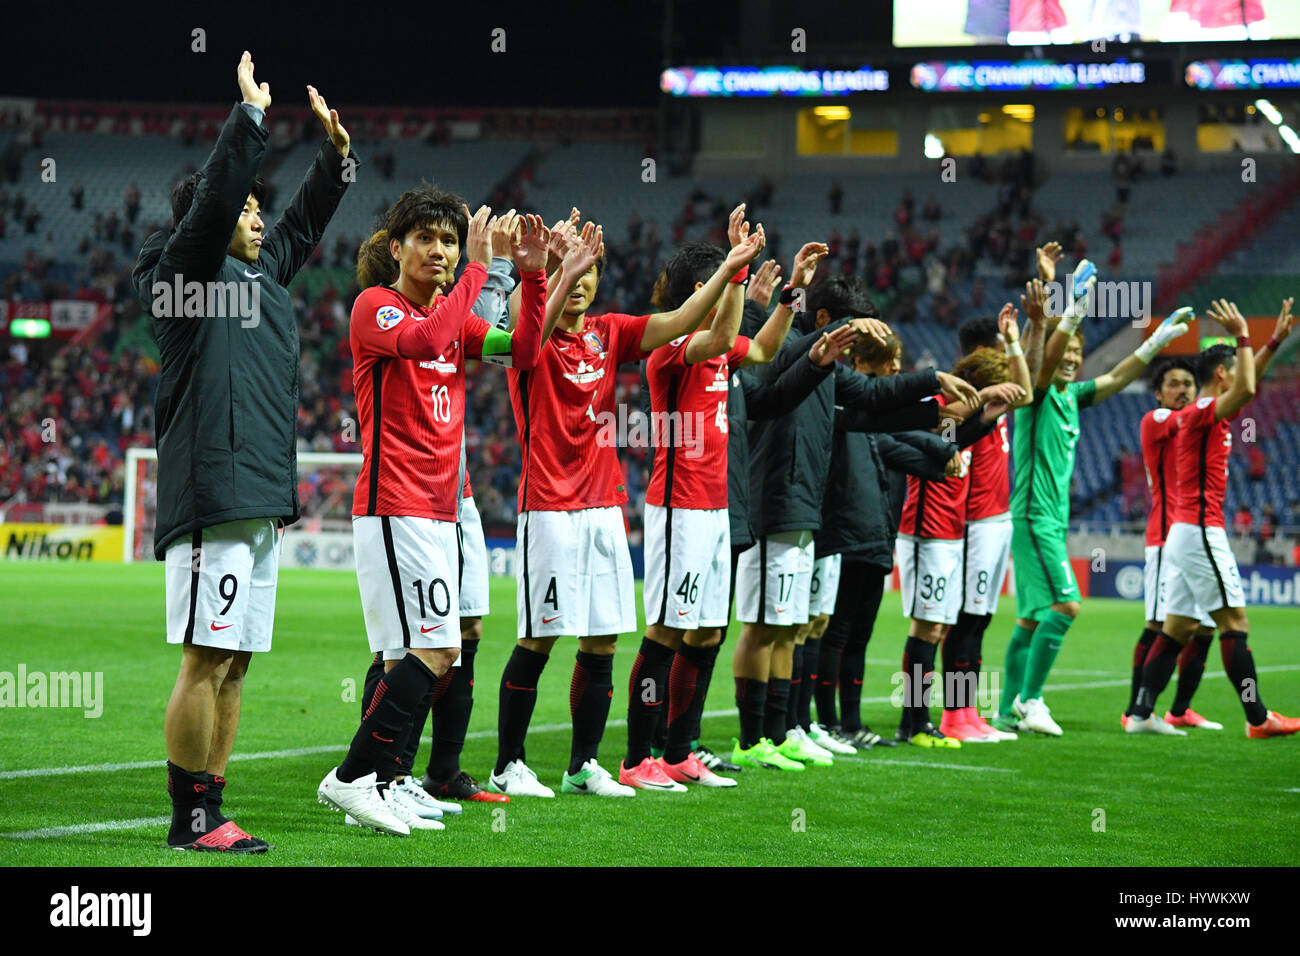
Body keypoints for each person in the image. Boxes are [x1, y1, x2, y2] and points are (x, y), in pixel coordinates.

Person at [132, 53, 357, 852]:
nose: (261, 220)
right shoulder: (185, 276)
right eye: (248, 209)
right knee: (206, 657)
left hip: (261, 498)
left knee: (235, 663)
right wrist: (251, 118)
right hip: (214, 493)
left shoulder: (264, 280)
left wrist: (336, 157)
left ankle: (213, 807)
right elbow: (212, 210)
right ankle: (189, 816)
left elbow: (306, 223)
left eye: (262, 209)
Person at [490, 208, 766, 798]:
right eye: (569, 273)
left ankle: (583, 766)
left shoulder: (609, 332)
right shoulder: (529, 333)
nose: (579, 282)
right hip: (549, 507)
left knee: (602, 641)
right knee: (539, 639)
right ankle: (507, 763)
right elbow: (524, 335)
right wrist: (555, 268)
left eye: (588, 273)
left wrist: (732, 269)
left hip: (604, 506)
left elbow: (685, 320)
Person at [316, 189, 552, 834]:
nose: (440, 251)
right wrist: (478, 268)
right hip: (396, 502)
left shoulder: (452, 320)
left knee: (405, 656)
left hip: (439, 510)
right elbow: (426, 340)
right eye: (426, 238)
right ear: (397, 248)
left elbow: (524, 352)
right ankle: (350, 778)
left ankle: (386, 783)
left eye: (450, 240)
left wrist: (532, 276)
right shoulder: (377, 306)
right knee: (439, 648)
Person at [731, 275, 979, 770]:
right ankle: (753, 738)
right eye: (855, 327)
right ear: (825, 321)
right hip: (775, 503)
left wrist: (932, 387)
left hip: (808, 508)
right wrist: (793, 289)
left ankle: (783, 732)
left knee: (789, 627)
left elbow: (870, 400)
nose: (859, 339)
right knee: (764, 628)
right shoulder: (789, 351)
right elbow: (773, 360)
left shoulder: (826, 370)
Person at [629, 212, 809, 789]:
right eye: (725, 281)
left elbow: (765, 348)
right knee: (664, 631)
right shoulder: (671, 347)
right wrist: (737, 271)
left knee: (707, 633)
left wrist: (792, 294)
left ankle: (680, 752)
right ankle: (636, 758)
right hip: (679, 507)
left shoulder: (719, 353)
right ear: (699, 290)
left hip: (715, 511)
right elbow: (724, 336)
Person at [992, 253, 1193, 737]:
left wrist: (1156, 343)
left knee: (1029, 620)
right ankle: (1030, 700)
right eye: (1066, 354)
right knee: (1066, 606)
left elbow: (1118, 378)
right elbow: (1045, 361)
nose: (1071, 360)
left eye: (1077, 355)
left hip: (1049, 520)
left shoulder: (1072, 396)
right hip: (1034, 517)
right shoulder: (1039, 393)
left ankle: (1003, 712)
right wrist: (1073, 310)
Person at [1128, 300, 1300, 738]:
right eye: (1236, 370)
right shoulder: (1203, 411)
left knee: (1179, 627)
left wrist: (1273, 342)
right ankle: (1258, 717)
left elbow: (1247, 385)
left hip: (1184, 533)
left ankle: (1142, 714)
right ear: (1222, 375)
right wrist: (1244, 335)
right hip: (1201, 531)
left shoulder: (1206, 412)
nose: (1243, 377)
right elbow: (1246, 388)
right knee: (1234, 624)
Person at [1123, 356, 1222, 732]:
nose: (1182, 390)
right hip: (1166, 538)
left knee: (1206, 627)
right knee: (1158, 623)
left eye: (1188, 384)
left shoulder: (1198, 428)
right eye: (1173, 384)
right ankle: (1135, 710)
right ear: (1158, 393)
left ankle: (1180, 710)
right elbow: (1196, 416)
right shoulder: (1158, 419)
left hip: (1200, 535)